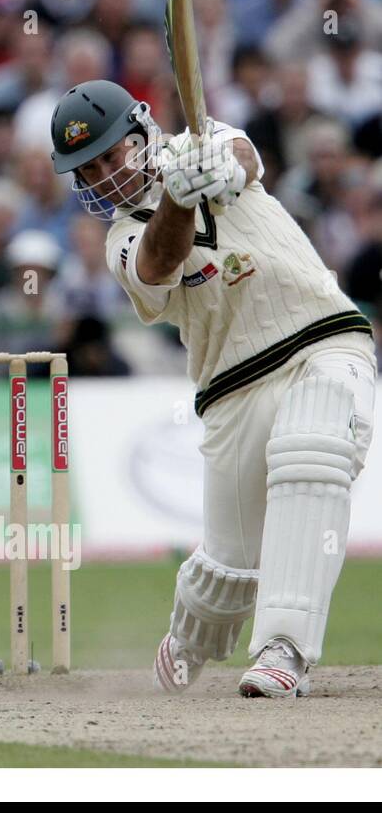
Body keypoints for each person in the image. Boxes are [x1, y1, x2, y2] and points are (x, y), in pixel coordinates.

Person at [49, 79, 374, 698]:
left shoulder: (206, 138)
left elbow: (246, 159)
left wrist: (215, 164)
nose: (104, 178)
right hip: (231, 385)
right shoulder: (121, 238)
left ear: (140, 136)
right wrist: (175, 195)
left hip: (324, 336)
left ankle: (284, 648)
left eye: (110, 158)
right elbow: (156, 266)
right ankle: (189, 639)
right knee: (228, 575)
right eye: (88, 172)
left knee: (313, 454)